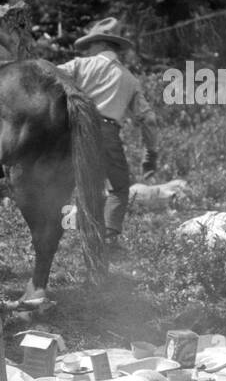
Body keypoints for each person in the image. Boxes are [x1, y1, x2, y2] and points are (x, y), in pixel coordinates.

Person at [54, 17, 160, 253]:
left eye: (90, 45)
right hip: (106, 132)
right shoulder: (129, 79)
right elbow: (148, 119)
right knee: (119, 188)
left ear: (101, 44)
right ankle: (108, 239)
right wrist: (150, 153)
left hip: (73, 130)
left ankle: (66, 234)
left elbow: (47, 77)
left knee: (77, 184)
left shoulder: (80, 66)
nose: (88, 50)